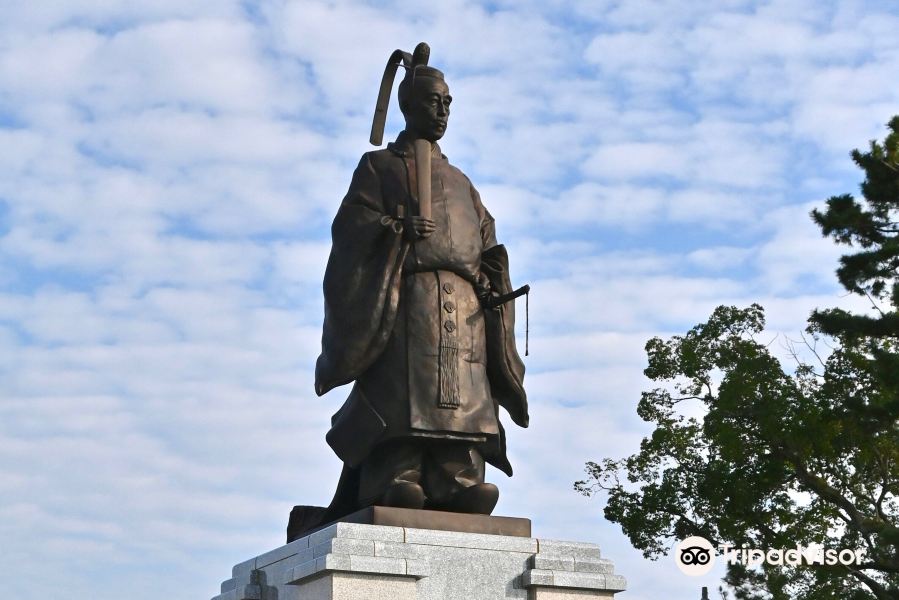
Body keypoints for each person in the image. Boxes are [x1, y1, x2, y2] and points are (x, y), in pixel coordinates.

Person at [288, 43, 527, 541]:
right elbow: (351, 228)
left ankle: (459, 481)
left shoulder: (463, 183)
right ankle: (397, 477)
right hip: (406, 299)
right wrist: (395, 227)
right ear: (408, 105)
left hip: (463, 312)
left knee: (463, 401)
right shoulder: (378, 167)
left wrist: (487, 279)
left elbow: (487, 241)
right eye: (433, 100)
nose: (442, 110)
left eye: (448, 102)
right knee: (403, 398)